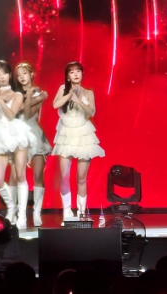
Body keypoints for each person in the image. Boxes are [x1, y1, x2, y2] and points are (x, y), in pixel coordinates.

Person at [0, 61, 37, 230]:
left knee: (20, 175)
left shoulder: (17, 94)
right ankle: (11, 207)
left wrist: (0, 99)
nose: (1, 77)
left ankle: (22, 215)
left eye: (4, 73)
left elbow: (11, 115)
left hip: (15, 132)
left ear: (9, 75)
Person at [52, 61, 104, 220]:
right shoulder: (63, 89)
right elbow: (55, 104)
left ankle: (81, 213)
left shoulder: (88, 93)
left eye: (78, 71)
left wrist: (79, 100)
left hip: (83, 135)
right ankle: (67, 212)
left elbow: (91, 112)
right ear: (68, 76)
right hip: (66, 135)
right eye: (71, 72)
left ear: (82, 74)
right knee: (64, 176)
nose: (75, 74)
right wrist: (69, 95)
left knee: (81, 178)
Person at [9, 62, 51, 226]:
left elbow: (27, 114)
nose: (21, 77)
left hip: (34, 133)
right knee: (15, 175)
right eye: (18, 75)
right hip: (18, 134)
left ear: (31, 74)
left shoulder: (38, 92)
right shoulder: (15, 94)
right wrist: (28, 97)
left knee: (38, 174)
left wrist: (32, 97)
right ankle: (14, 212)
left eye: (24, 73)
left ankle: (37, 212)